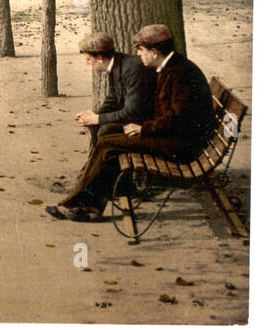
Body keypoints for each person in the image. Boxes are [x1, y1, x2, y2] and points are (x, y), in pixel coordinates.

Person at [47, 24, 219, 221]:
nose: (138, 54)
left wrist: (143, 128)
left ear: (154, 52)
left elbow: (178, 120)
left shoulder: (180, 73)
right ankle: (91, 204)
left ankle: (75, 203)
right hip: (174, 138)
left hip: (183, 146)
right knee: (109, 143)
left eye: (141, 50)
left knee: (107, 143)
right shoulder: (170, 67)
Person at [74, 33, 155, 143]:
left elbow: (132, 111)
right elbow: (113, 98)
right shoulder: (117, 63)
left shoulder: (134, 68)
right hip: (133, 117)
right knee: (94, 125)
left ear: (99, 58)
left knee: (106, 130)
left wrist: (98, 118)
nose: (87, 63)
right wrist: (94, 116)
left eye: (88, 59)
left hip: (147, 123)